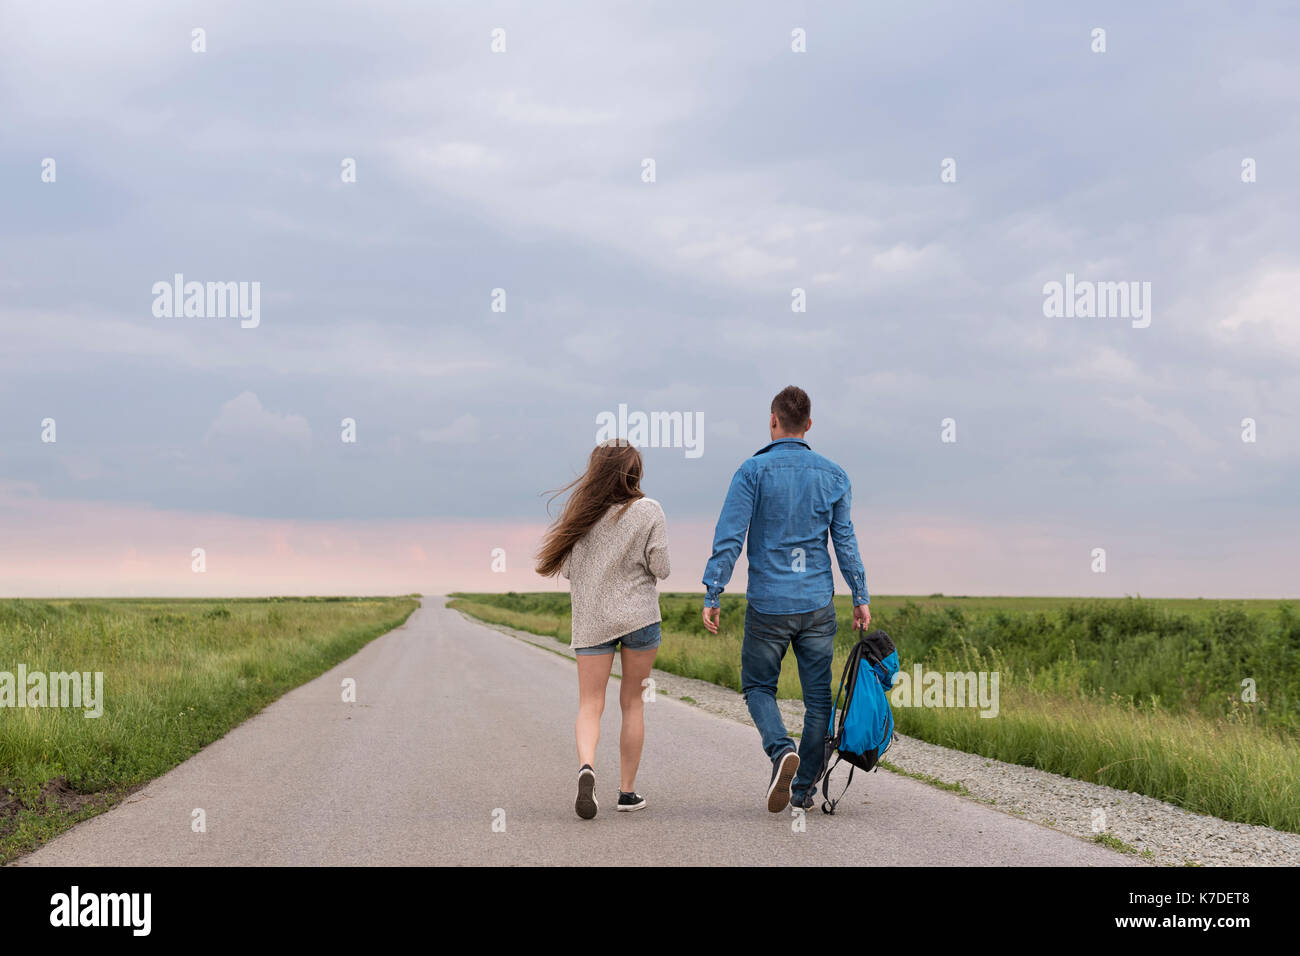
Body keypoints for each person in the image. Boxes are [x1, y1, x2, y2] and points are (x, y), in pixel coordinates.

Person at [701, 386, 871, 812]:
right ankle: (802, 791)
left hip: (769, 606)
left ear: (773, 420)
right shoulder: (834, 475)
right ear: (808, 425)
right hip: (816, 605)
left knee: (759, 686)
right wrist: (860, 595)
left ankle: (781, 752)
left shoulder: (751, 472)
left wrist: (713, 590)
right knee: (818, 700)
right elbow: (845, 543)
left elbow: (730, 537)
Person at [536, 439, 671, 820]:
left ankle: (586, 768)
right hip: (639, 618)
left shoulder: (581, 513)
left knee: (590, 704)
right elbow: (661, 567)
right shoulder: (649, 510)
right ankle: (627, 793)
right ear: (635, 472)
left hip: (593, 619)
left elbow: (567, 569)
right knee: (632, 703)